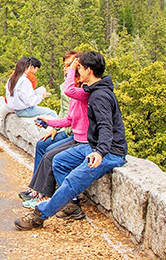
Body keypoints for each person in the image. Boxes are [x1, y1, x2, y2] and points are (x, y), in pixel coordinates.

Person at [14, 51, 127, 230]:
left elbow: (106, 127)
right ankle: (70, 206)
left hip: (110, 152)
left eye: (79, 68)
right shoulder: (94, 90)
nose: (76, 71)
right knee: (58, 161)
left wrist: (100, 152)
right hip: (95, 146)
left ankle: (39, 215)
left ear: (89, 70)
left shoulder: (100, 96)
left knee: (73, 180)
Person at [21, 56, 89, 209]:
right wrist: (48, 123)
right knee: (46, 149)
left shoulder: (82, 93)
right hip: (75, 135)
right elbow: (68, 118)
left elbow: (69, 91)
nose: (67, 73)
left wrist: (72, 69)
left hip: (81, 139)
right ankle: (38, 190)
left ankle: (48, 195)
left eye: (70, 69)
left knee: (52, 156)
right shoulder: (75, 95)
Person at [0, 57, 47, 144]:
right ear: (31, 67)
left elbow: (7, 87)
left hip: (9, 103)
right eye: (36, 69)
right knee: (43, 93)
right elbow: (28, 97)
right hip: (20, 106)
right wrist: (41, 97)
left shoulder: (14, 74)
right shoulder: (31, 78)